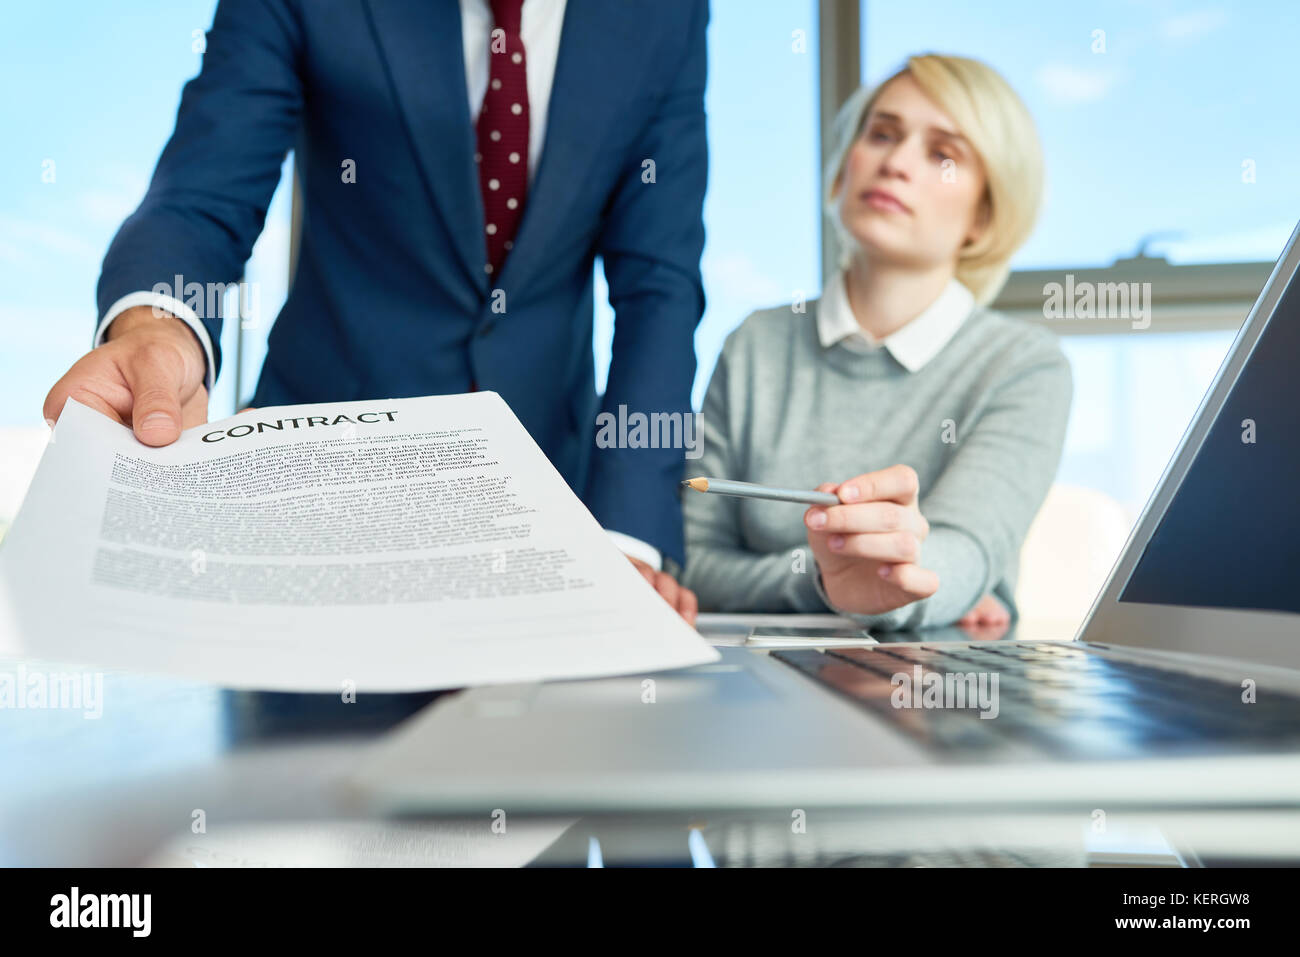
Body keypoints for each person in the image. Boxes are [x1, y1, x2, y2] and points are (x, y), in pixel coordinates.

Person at [40, 0, 706, 623]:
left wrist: (626, 538)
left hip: (544, 510)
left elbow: (660, 285)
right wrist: (160, 324)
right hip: (313, 504)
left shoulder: (664, 16)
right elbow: (201, 197)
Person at [681, 53, 1072, 632]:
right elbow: (695, 565)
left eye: (943, 154)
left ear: (983, 218)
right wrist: (826, 579)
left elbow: (962, 556)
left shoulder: (1023, 367)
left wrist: (903, 584)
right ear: (844, 168)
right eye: (882, 134)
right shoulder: (756, 344)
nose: (895, 162)